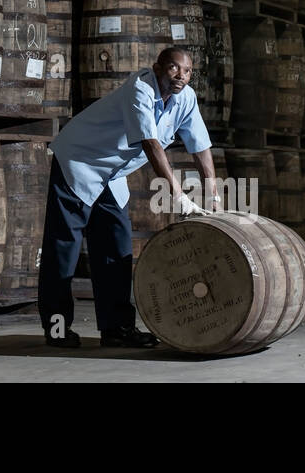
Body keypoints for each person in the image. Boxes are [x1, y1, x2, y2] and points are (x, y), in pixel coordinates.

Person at [38, 47, 219, 349]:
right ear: (157, 67)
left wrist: (212, 196)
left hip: (112, 173)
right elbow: (151, 145)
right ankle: (56, 329)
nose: (181, 76)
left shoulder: (185, 98)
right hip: (80, 161)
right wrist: (180, 198)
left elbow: (200, 146)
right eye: (174, 68)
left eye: (187, 71)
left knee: (117, 246)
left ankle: (117, 329)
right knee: (63, 247)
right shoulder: (140, 89)